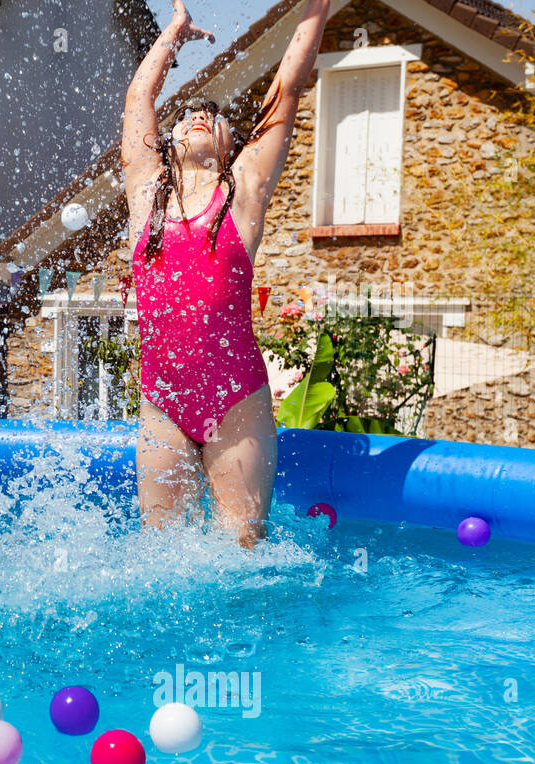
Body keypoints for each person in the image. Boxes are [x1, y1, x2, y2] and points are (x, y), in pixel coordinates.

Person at [121, 0, 330, 547]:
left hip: (234, 396)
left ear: (232, 146)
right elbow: (139, 101)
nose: (198, 114)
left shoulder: (241, 196)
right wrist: (172, 35)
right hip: (162, 400)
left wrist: (318, 9)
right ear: (167, 145)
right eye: (188, 111)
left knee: (241, 556)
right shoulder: (147, 198)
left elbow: (285, 91)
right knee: (158, 560)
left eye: (214, 115)